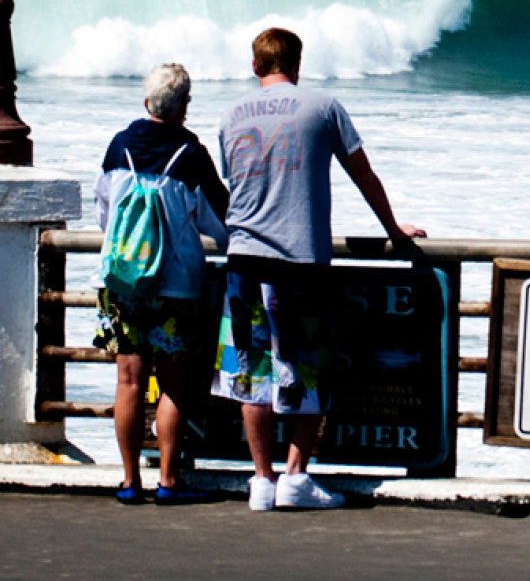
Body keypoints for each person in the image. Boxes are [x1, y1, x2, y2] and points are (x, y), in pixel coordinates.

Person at [212, 27, 426, 511]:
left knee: (251, 372)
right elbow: (362, 173)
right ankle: (295, 475)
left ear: (254, 66)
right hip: (300, 260)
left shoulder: (230, 116)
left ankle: (261, 480)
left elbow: (237, 184)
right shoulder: (323, 106)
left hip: (243, 259)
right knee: (307, 369)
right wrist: (392, 228)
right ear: (298, 63)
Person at [93, 63, 229, 505]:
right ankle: (169, 481)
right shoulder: (190, 154)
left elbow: (104, 212)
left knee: (129, 382)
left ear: (146, 102)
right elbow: (219, 222)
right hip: (177, 287)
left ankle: (129, 481)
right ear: (184, 107)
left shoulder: (119, 146)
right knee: (173, 385)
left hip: (124, 282)